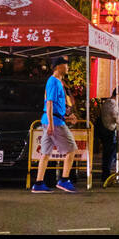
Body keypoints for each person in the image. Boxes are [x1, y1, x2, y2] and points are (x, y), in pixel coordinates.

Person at [32, 56, 78, 193]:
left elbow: (55, 105)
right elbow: (50, 103)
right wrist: (52, 124)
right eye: (66, 64)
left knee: (45, 153)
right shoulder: (54, 82)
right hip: (54, 122)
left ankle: (39, 183)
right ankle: (64, 180)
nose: (68, 67)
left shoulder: (57, 82)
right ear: (58, 66)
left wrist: (67, 117)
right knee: (72, 149)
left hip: (50, 120)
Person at [96, 87, 119, 181]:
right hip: (109, 130)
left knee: (109, 154)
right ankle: (106, 176)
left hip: (106, 129)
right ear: (118, 95)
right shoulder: (112, 104)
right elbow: (116, 119)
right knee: (109, 154)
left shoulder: (107, 102)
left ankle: (107, 174)